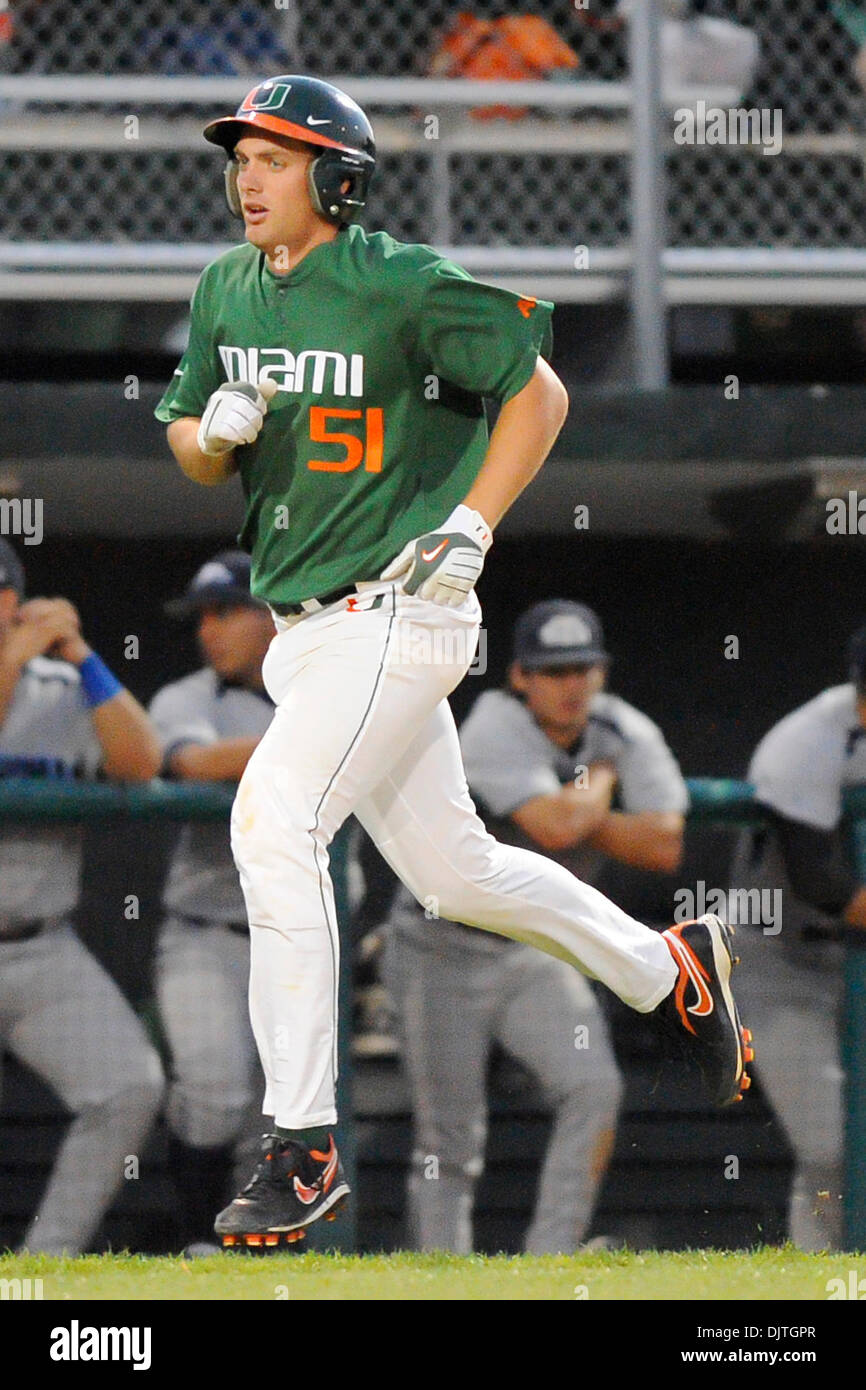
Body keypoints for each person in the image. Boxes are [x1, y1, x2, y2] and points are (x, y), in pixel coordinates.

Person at [154, 73, 751, 1250]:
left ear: (337, 175)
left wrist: (472, 521)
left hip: (396, 607)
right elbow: (185, 444)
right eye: (242, 158)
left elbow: (540, 392)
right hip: (305, 630)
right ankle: (666, 965)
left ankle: (302, 1144)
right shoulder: (225, 286)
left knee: (270, 825)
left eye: (275, 158)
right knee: (456, 874)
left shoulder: (400, 280)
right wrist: (205, 438)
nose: (248, 178)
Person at [385, 600, 688, 1253]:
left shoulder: (623, 725)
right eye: (553, 671)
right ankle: (442, 1282)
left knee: (593, 1087)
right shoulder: (492, 724)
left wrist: (580, 808)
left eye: (583, 668)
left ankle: (550, 1263)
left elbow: (664, 847)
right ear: (520, 676)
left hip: (534, 947)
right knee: (450, 1137)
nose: (571, 685)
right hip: (440, 944)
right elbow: (554, 828)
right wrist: (601, 781)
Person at [0, 539, 164, 1254]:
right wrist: (10, 660)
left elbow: (141, 762)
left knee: (129, 1085)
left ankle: (48, 1263)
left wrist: (82, 656)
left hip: (39, 949)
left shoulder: (58, 689)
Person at [149, 550, 277, 1252]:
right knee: (213, 1091)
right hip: (206, 932)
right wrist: (314, 741)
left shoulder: (319, 686)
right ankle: (193, 1237)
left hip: (304, 941)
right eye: (202, 615)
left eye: (227, 610)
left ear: (274, 611)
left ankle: (248, 1261)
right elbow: (190, 762)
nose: (209, 629)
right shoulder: (185, 697)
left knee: (277, 1117)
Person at [727, 624, 866, 1251]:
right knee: (831, 1142)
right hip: (776, 954)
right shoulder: (807, 741)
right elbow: (826, 885)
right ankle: (823, 1277)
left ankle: (823, 1276)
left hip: (852, 961)